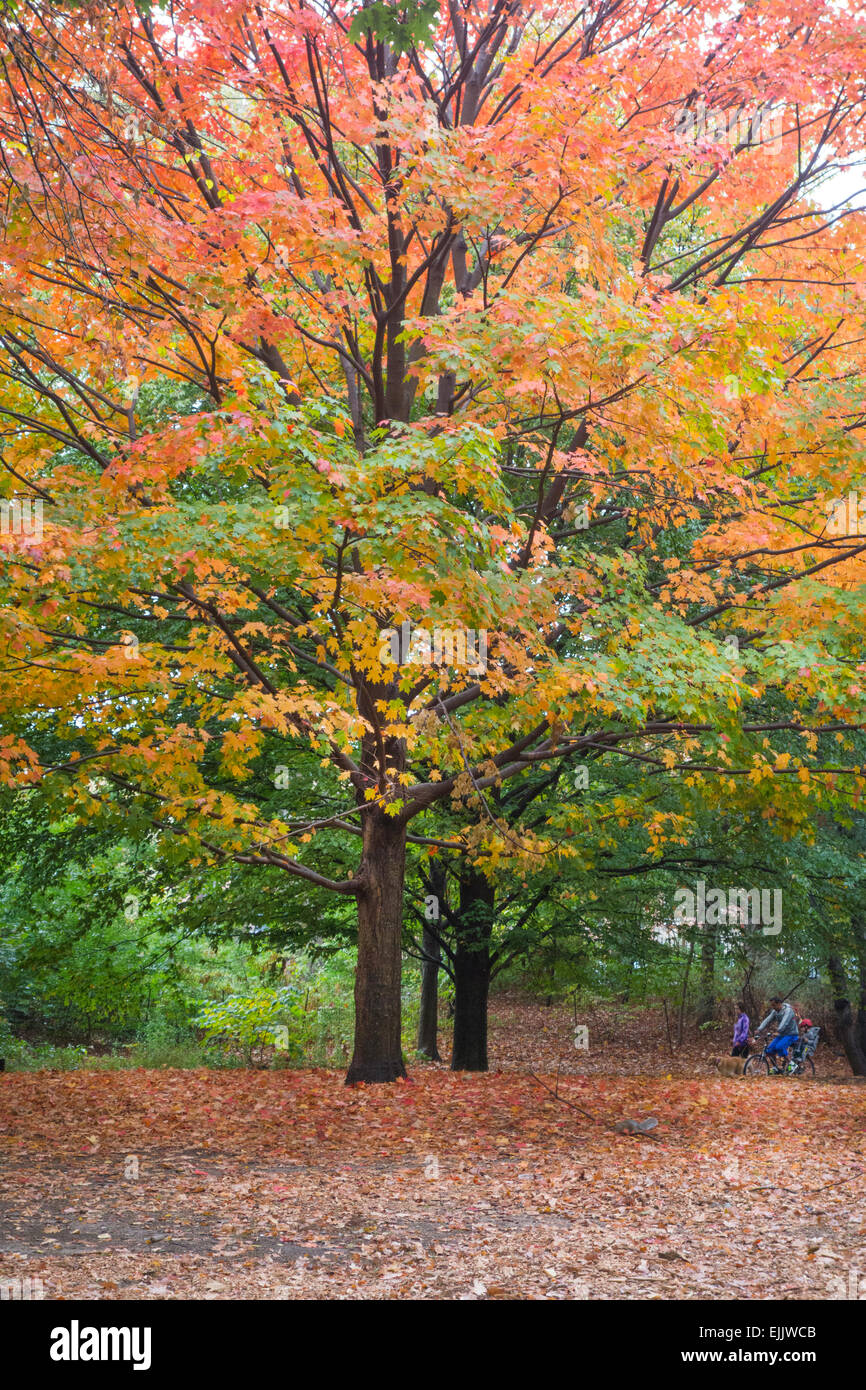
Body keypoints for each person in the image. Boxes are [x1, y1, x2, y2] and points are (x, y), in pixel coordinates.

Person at [754, 996, 799, 1070]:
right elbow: (767, 1020)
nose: (773, 1007)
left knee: (779, 1047)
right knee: (769, 1050)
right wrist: (759, 1029)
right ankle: (775, 1068)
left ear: (779, 1004)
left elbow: (785, 1022)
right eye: (772, 1005)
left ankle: (792, 1064)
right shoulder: (775, 1011)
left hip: (791, 1034)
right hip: (782, 1034)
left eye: (774, 1005)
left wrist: (778, 1031)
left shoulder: (788, 1010)